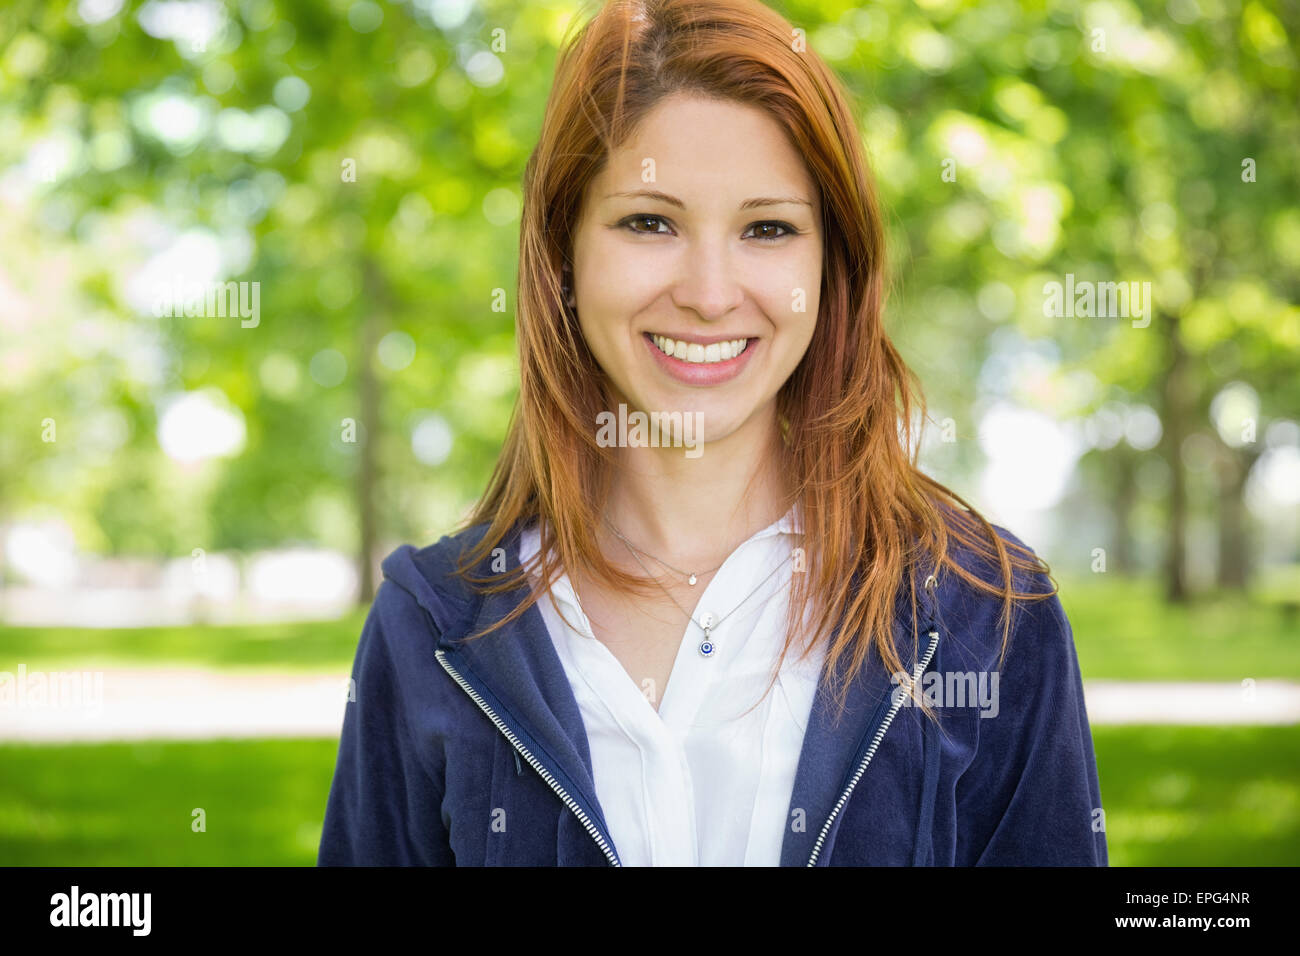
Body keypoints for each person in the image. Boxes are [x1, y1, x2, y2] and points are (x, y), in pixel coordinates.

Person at [317, 0, 1107, 867]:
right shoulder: (430, 630)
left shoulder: (986, 615)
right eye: (649, 222)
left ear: (829, 267)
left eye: (768, 228)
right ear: (563, 258)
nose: (709, 291)